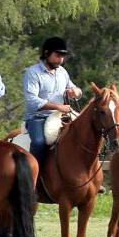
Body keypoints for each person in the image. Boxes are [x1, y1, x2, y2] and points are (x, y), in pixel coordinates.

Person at [22, 36, 82, 165]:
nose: (61, 59)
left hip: (60, 116)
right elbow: (32, 101)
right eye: (58, 55)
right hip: (37, 118)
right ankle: (34, 178)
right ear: (46, 53)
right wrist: (58, 107)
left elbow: (74, 89)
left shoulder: (62, 72)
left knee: (85, 133)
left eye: (63, 56)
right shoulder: (32, 73)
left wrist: (76, 92)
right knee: (39, 142)